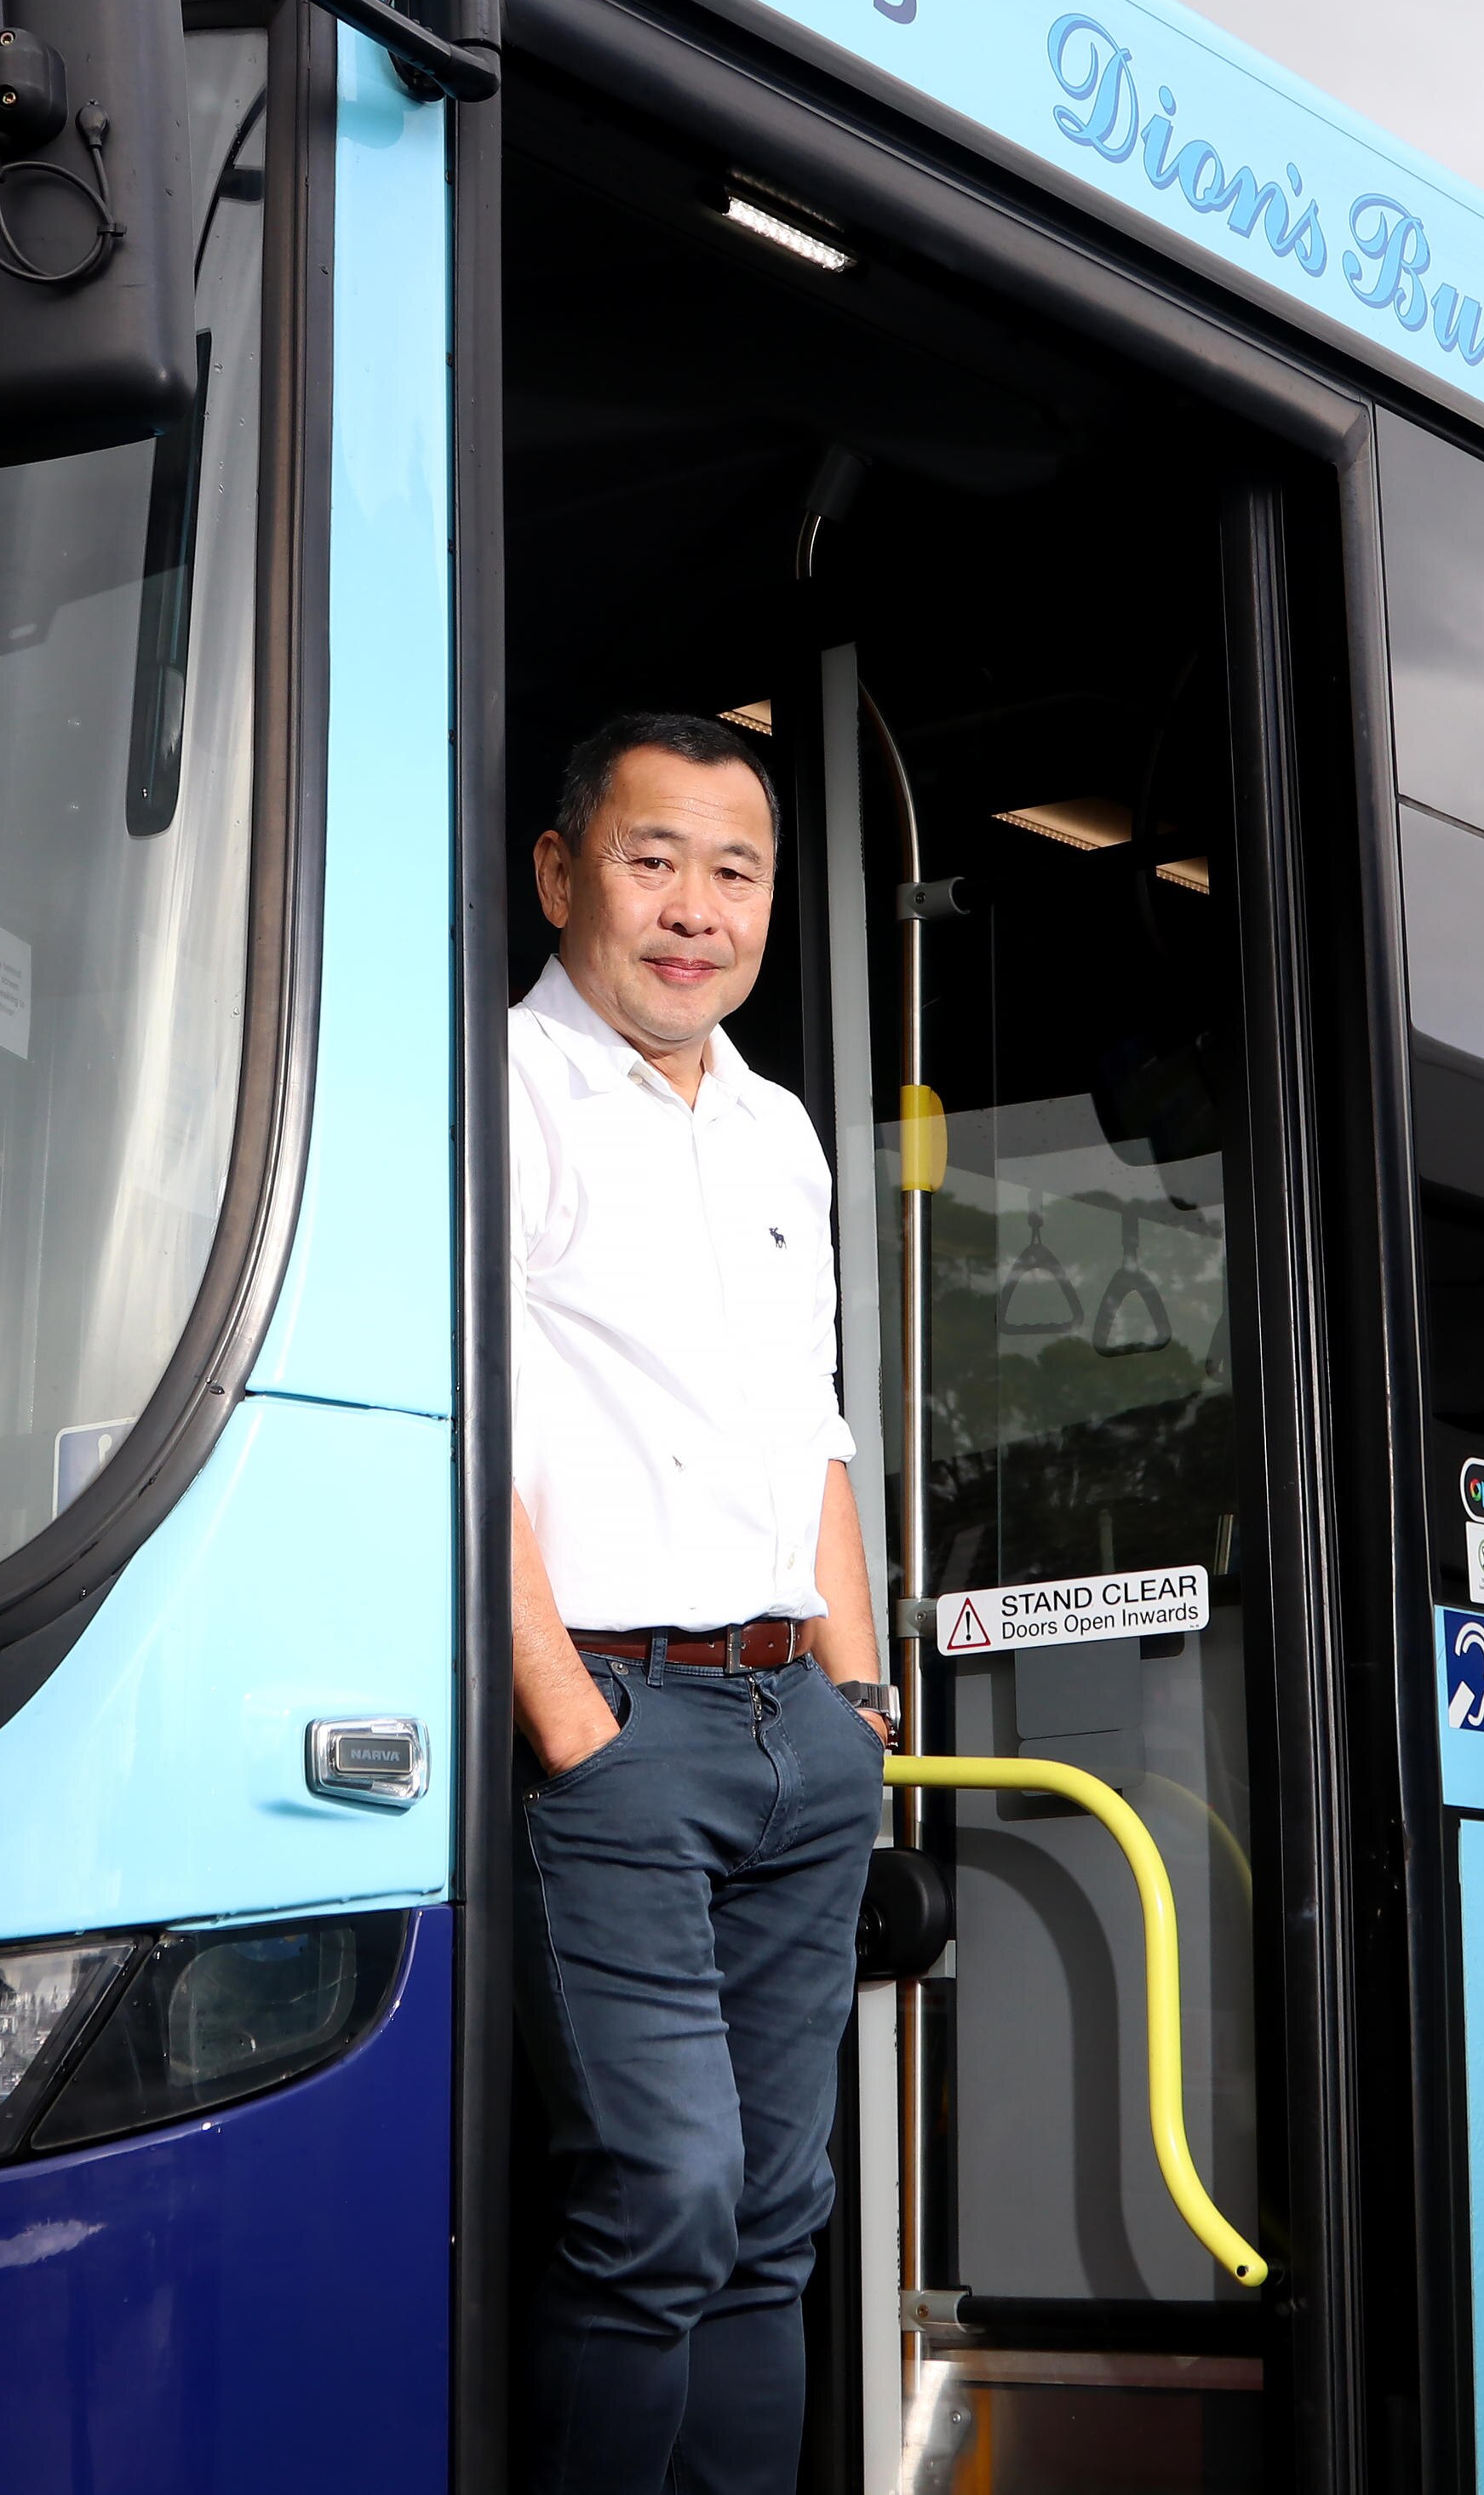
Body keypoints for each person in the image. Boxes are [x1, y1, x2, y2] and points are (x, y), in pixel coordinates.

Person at [507, 710, 897, 2495]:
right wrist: (568, 1722)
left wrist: (859, 1689)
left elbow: (809, 1423)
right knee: (660, 2195)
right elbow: (467, 1432)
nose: (694, 907)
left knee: (774, 2217)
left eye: (733, 870)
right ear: (561, 869)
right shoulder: (490, 1091)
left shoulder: (781, 1131)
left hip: (793, 1728)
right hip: (616, 1722)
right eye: (652, 857)